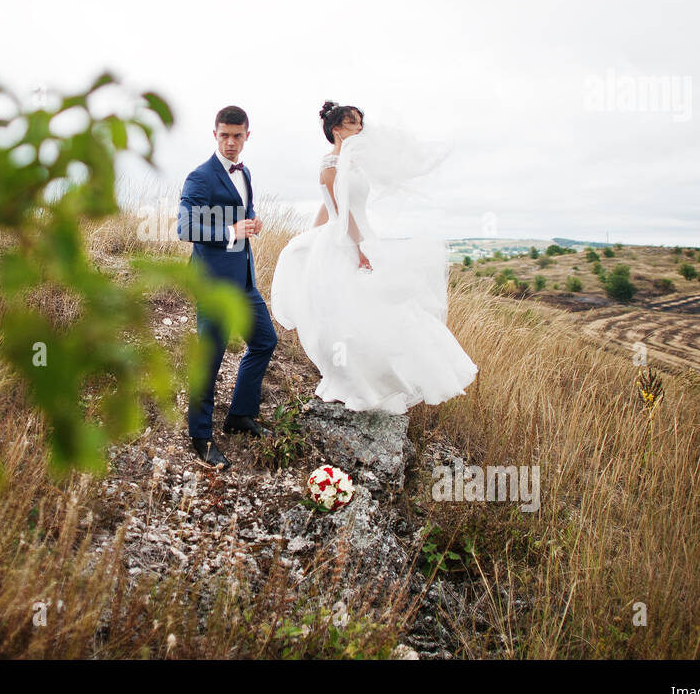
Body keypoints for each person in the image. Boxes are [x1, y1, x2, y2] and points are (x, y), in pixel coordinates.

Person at [270, 101, 477, 413]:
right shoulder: (329, 164)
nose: (359, 128)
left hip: (363, 237)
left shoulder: (353, 166)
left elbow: (333, 204)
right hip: (346, 243)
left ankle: (380, 382)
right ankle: (351, 383)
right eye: (353, 123)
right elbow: (336, 211)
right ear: (336, 129)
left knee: (379, 312)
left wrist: (361, 243)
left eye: (360, 122)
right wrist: (354, 247)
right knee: (346, 315)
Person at [177, 105, 277, 469]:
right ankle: (200, 437)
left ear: (247, 135)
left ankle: (240, 415)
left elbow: (241, 211)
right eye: (224, 135)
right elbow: (185, 228)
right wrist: (229, 231)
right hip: (214, 283)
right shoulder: (200, 177)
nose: (231, 142)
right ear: (215, 134)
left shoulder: (245, 172)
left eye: (237, 136)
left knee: (266, 340)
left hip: (243, 279)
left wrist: (250, 221)